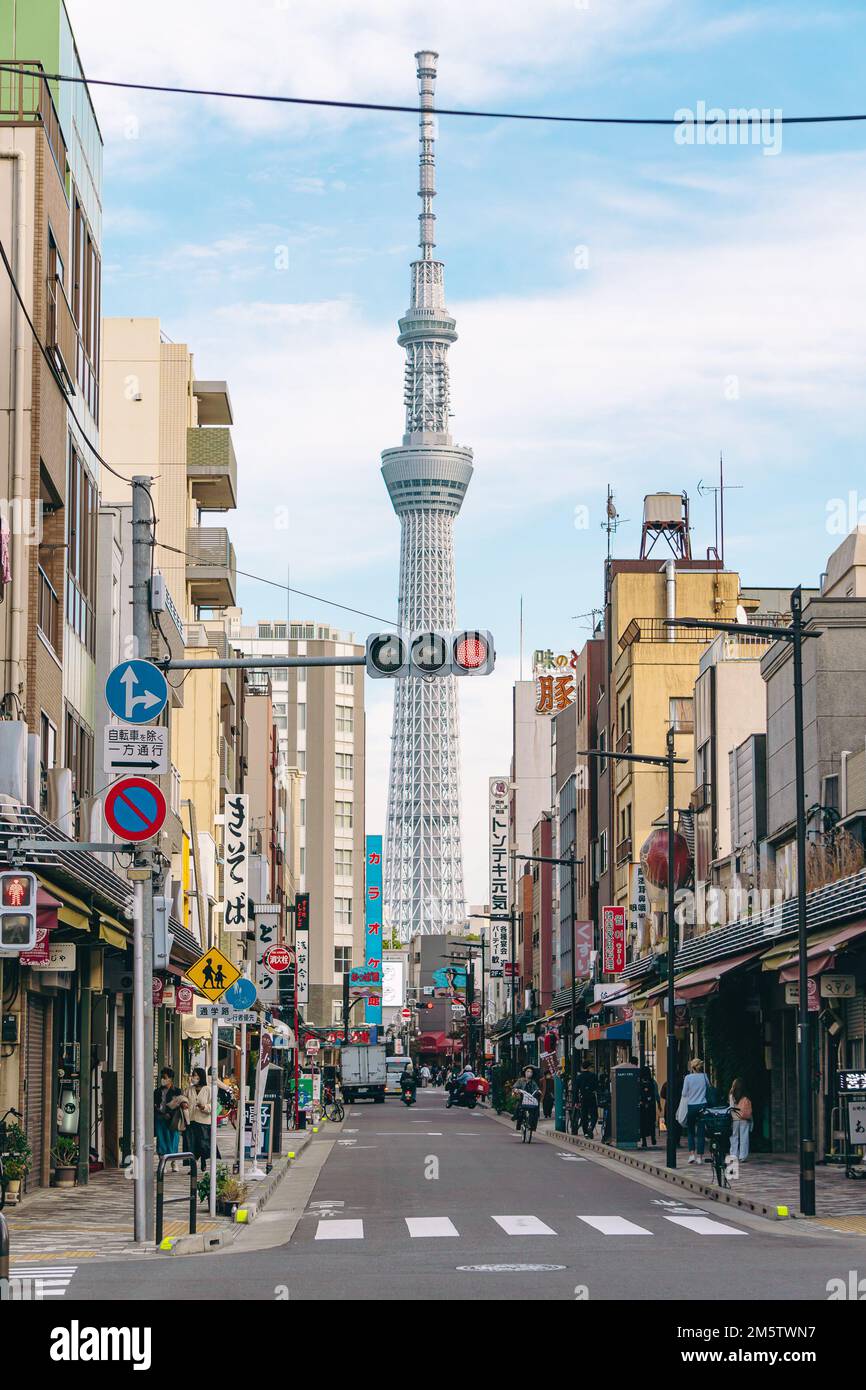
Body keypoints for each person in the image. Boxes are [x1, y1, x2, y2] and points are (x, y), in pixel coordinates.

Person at [678, 1057, 712, 1164]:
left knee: (691, 1131)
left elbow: (684, 1093)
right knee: (701, 1131)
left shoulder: (688, 1078)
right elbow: (709, 1088)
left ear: (692, 1067)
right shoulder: (704, 1076)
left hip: (691, 1106)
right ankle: (700, 1157)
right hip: (702, 1105)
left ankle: (692, 1154)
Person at [154, 1067, 184, 1168]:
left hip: (172, 1120)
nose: (162, 1079)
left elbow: (179, 1105)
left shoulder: (177, 1091)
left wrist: (170, 1114)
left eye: (165, 1077)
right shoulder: (157, 1091)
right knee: (161, 1140)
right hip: (160, 1118)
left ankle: (173, 1162)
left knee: (173, 1140)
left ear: (170, 1079)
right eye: (161, 1077)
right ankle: (162, 1163)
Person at [184, 1066, 212, 1174]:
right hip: (191, 1120)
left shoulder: (208, 1089)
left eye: (195, 1076)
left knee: (203, 1144)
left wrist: (204, 1107)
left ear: (201, 1077)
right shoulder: (188, 1089)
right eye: (193, 1075)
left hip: (204, 1122)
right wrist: (183, 1103)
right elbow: (183, 1098)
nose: (192, 1078)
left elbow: (214, 1105)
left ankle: (203, 1160)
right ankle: (193, 1167)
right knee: (191, 1144)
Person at [729, 1078, 753, 1163]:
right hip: (744, 1118)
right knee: (744, 1137)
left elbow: (731, 1107)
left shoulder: (732, 1095)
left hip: (735, 1119)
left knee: (734, 1137)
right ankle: (742, 1156)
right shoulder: (746, 1096)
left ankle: (734, 1154)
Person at [573, 1060, 599, 1138]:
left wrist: (576, 1101)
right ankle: (591, 1127)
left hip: (583, 1097)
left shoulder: (579, 1077)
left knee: (584, 1115)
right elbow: (597, 1087)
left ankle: (586, 1133)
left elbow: (576, 1090)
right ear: (588, 1067)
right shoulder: (594, 1076)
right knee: (594, 1115)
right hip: (591, 1097)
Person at [639, 1065, 661, 1149]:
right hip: (651, 1105)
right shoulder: (653, 1082)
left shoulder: (639, 1082)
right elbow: (656, 1094)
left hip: (642, 1105)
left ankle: (644, 1141)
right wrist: (659, 1104)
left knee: (643, 1123)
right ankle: (653, 1138)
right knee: (651, 1122)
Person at [513, 1066, 541, 1131]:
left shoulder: (533, 1082)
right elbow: (515, 1087)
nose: (529, 1073)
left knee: (535, 1110)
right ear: (525, 1073)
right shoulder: (520, 1080)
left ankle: (532, 1126)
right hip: (522, 1098)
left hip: (531, 1099)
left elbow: (536, 1088)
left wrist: (538, 1091)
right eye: (528, 1071)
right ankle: (519, 1124)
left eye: (531, 1072)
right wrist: (516, 1090)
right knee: (519, 1109)